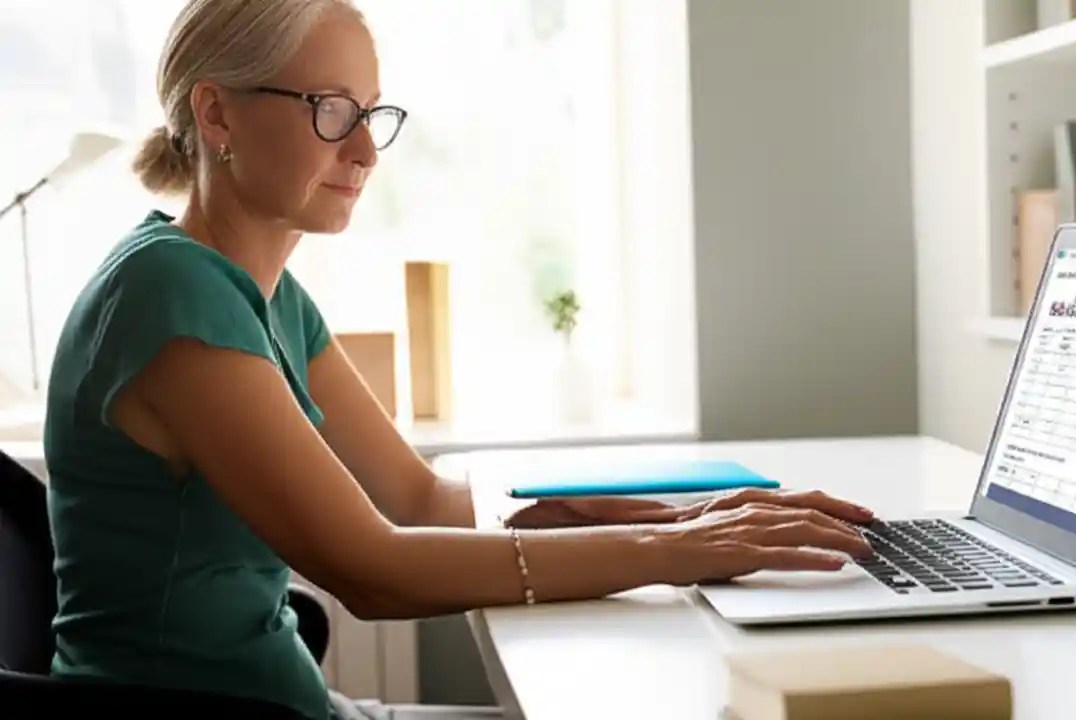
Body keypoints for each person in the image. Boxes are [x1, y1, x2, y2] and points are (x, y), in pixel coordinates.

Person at [41, 1, 876, 719]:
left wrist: (677, 518)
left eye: (372, 113)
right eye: (330, 109)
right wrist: (680, 553)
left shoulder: (262, 295)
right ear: (217, 114)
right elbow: (373, 571)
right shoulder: (169, 297)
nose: (366, 150)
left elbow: (418, 495)